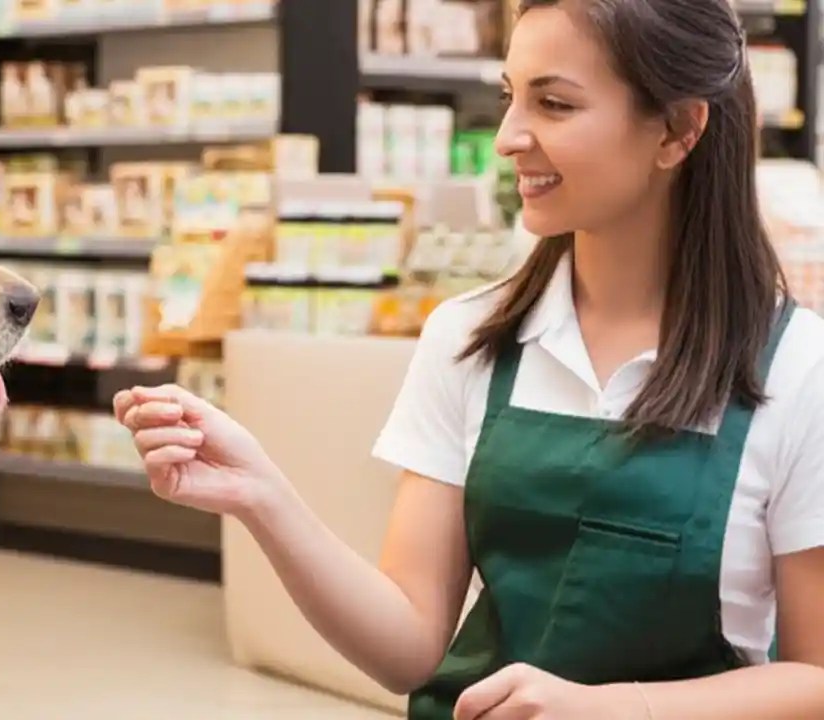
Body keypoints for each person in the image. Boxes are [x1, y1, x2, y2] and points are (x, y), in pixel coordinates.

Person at [112, 0, 824, 718]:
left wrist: (616, 711)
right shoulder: (470, 336)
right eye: (509, 97)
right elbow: (409, 647)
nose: (508, 138)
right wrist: (261, 496)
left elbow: (817, 676)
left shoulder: (796, 368)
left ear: (677, 128)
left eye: (553, 103)